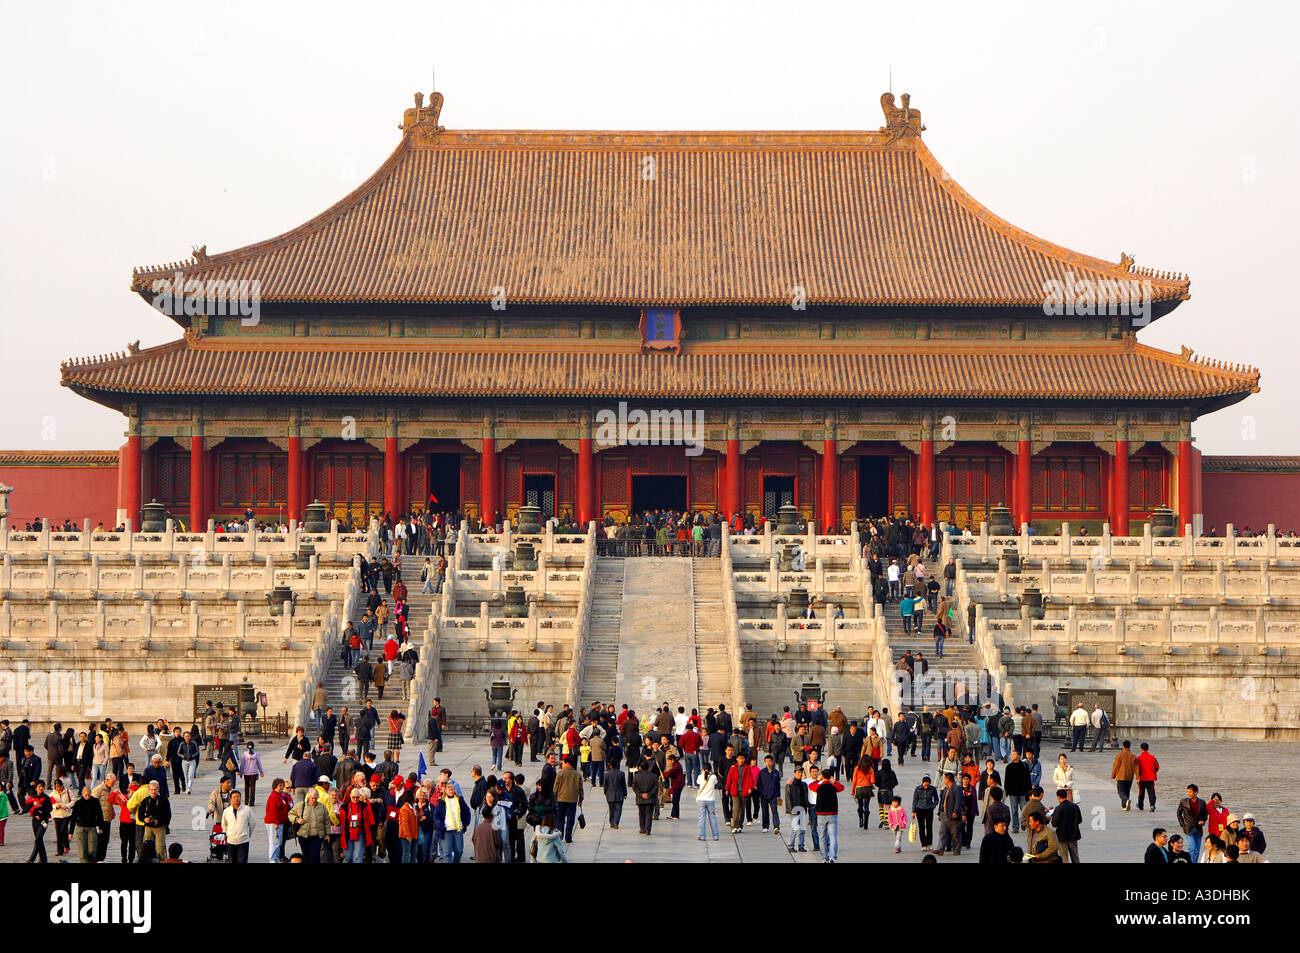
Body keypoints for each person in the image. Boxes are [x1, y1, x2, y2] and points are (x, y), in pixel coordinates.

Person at [808, 769, 844, 863]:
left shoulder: (819, 787)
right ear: (830, 776)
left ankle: (825, 858)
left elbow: (811, 786)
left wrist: (818, 780)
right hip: (832, 814)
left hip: (821, 814)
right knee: (833, 837)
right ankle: (833, 857)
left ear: (822, 776)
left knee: (822, 837)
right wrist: (834, 781)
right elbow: (842, 787)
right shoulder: (833, 787)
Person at [1176, 783, 1208, 863]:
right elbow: (1179, 813)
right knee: (1192, 848)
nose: (1189, 794)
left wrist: (1203, 821)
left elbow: (1205, 815)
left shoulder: (1202, 802)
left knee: (1197, 850)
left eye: (1190, 792)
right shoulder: (1183, 801)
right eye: (1188, 792)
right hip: (1188, 828)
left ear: (1196, 792)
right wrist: (1182, 825)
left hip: (1198, 829)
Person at [1051, 788, 1082, 862]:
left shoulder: (1058, 808)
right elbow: (1080, 820)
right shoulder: (1075, 806)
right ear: (1066, 796)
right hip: (1073, 835)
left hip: (1062, 837)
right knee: (1075, 857)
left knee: (1064, 858)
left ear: (1058, 797)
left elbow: (1054, 824)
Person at [222, 790, 253, 863]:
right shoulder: (227, 811)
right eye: (234, 797)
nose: (236, 799)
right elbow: (224, 824)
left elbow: (252, 823)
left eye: (238, 797)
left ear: (241, 798)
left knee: (242, 861)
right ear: (231, 799)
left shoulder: (247, 809)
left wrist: (248, 833)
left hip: (243, 841)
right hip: (231, 841)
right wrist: (228, 833)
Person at [631, 759, 660, 835]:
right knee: (649, 814)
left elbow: (634, 787)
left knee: (641, 814)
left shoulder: (636, 776)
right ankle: (648, 830)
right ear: (648, 767)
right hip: (650, 799)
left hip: (640, 799)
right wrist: (649, 794)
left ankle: (642, 828)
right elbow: (656, 787)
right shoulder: (654, 776)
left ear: (640, 768)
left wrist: (641, 794)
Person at [1111, 740, 1138, 810]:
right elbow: (1136, 768)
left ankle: (1125, 800)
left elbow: (1116, 766)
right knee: (1127, 791)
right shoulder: (1133, 756)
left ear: (1123, 746)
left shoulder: (1119, 755)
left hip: (1121, 776)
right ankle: (1124, 806)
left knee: (1120, 791)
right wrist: (1138, 777)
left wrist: (1113, 775)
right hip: (1129, 776)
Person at [696, 767, 720, 841]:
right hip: (711, 800)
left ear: (703, 769)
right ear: (710, 770)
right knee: (713, 818)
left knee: (702, 818)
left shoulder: (700, 777)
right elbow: (716, 782)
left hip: (701, 800)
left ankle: (702, 836)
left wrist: (702, 773)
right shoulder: (713, 777)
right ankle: (715, 836)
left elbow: (697, 782)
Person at [602, 761, 627, 830]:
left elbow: (605, 785)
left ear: (610, 766)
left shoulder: (607, 774)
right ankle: (616, 822)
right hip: (619, 794)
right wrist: (625, 793)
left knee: (611, 810)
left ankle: (612, 823)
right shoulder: (621, 774)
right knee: (618, 810)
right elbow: (623, 785)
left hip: (610, 794)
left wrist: (605, 793)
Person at [1135, 742, 1159, 811]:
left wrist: (1138, 777)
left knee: (1141, 792)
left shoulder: (1139, 758)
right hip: (1151, 778)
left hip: (1142, 778)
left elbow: (1138, 769)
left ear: (1141, 749)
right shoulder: (1152, 757)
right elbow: (1157, 767)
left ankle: (1140, 805)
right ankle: (1152, 805)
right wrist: (1153, 772)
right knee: (1151, 792)